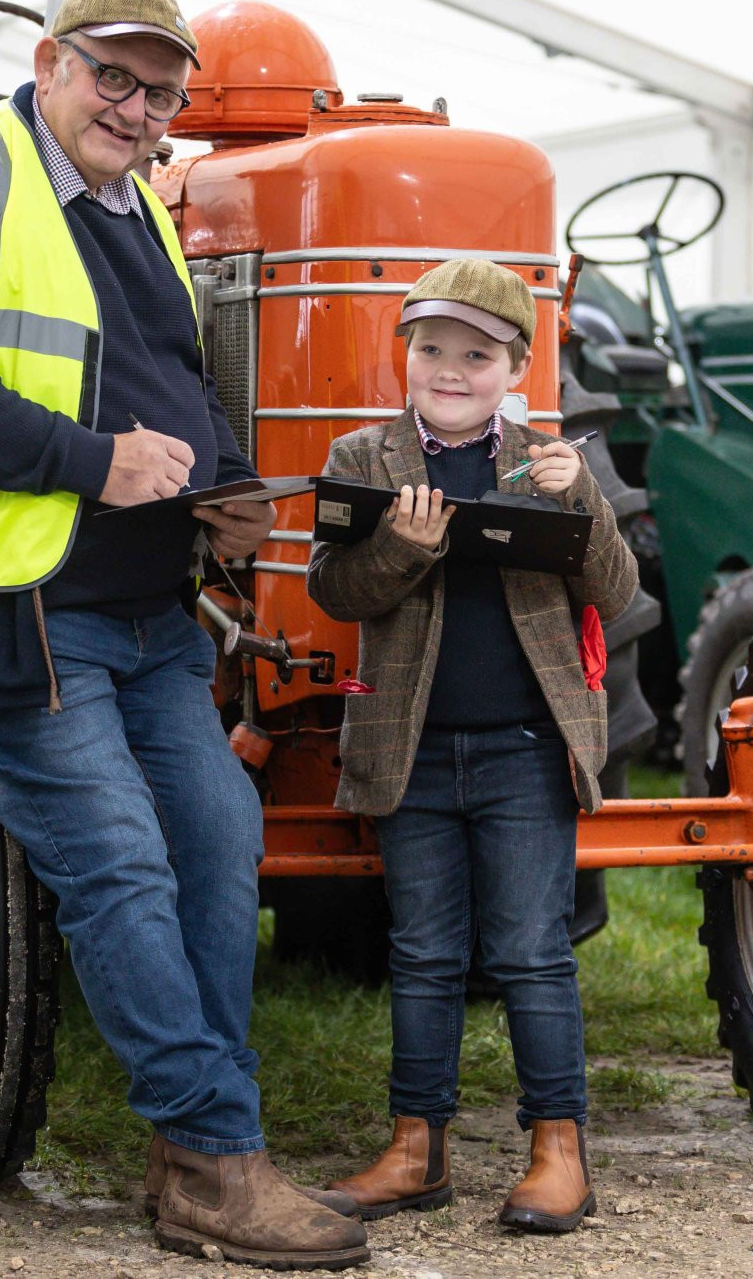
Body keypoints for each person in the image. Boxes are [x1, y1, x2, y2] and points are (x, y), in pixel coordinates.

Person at [0, 0, 367, 1272]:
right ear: (50, 63)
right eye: (114, 76)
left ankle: (195, 1146)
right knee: (117, 864)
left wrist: (223, 489)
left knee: (219, 837)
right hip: (1, 604)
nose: (136, 108)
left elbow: (175, 380)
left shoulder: (139, 209)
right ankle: (214, 1155)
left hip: (144, 613)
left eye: (161, 93)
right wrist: (94, 464)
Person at [307, 258, 638, 1234]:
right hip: (409, 751)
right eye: (432, 349)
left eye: (477, 356)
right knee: (422, 953)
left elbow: (616, 593)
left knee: (532, 951)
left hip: (525, 749)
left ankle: (557, 1150)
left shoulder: (549, 462)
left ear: (516, 368)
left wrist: (583, 501)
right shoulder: (363, 456)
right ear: (404, 355)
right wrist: (400, 550)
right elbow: (334, 592)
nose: (451, 371)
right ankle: (417, 1149)